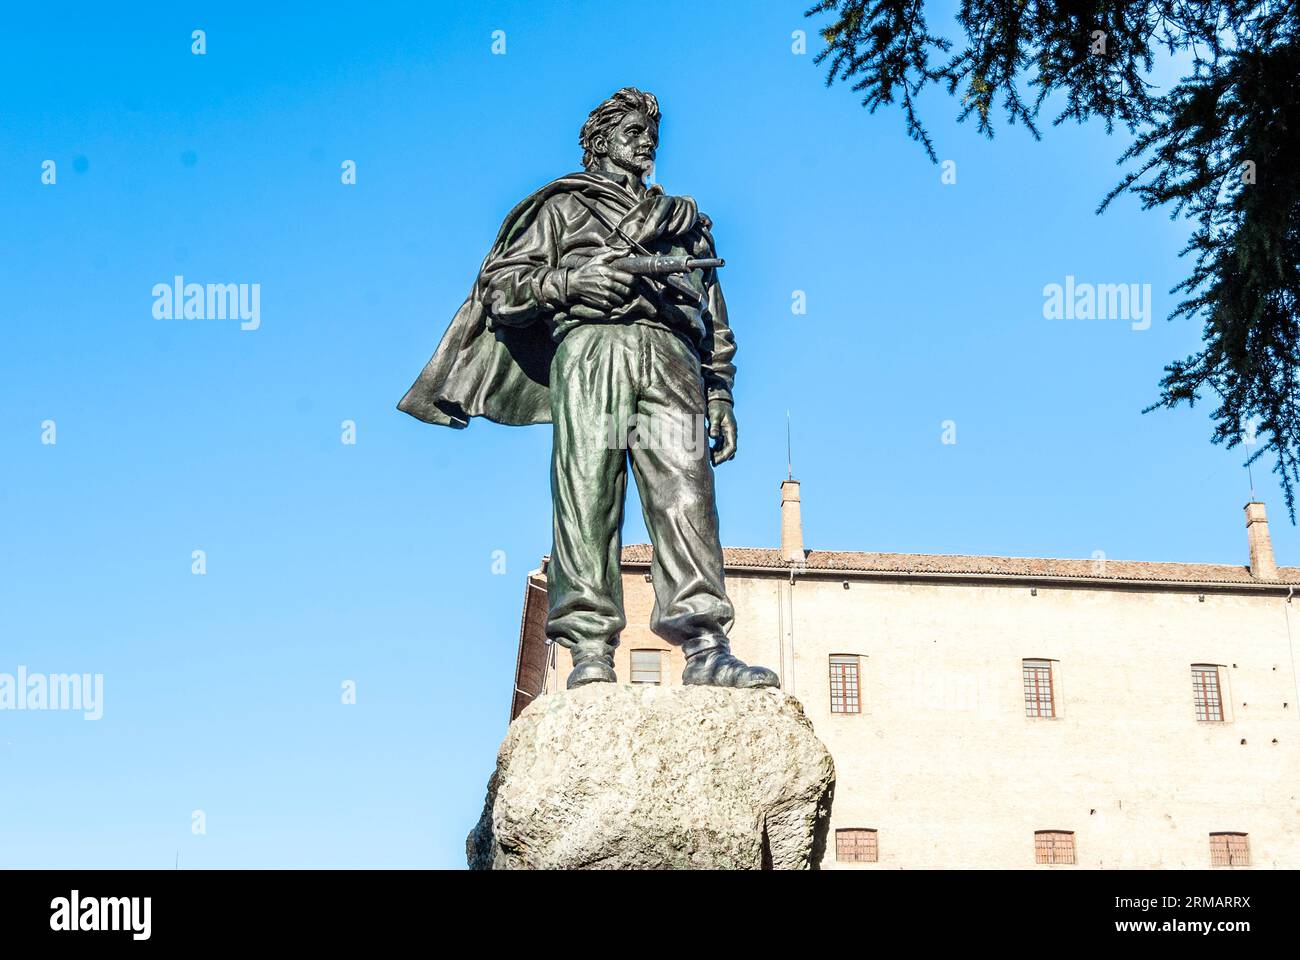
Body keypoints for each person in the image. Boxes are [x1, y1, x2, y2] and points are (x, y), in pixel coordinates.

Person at [398, 87, 778, 690]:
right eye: (633, 131)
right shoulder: (559, 209)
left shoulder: (684, 221)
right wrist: (571, 282)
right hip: (591, 350)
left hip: (672, 354)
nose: (647, 141)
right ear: (601, 140)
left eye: (652, 132)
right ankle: (591, 651)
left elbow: (715, 314)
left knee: (687, 495)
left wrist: (721, 392)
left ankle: (706, 645)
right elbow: (501, 289)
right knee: (587, 493)